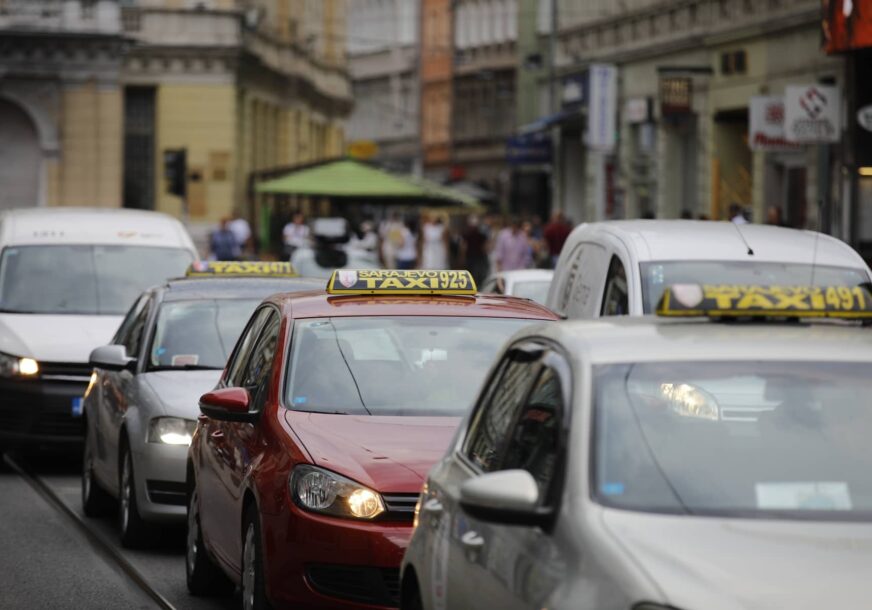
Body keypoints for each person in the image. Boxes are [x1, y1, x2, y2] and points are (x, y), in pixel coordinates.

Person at [461, 215, 489, 285]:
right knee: (475, 274)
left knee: (473, 274)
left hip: (476, 257)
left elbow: (464, 246)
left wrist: (462, 257)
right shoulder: (480, 235)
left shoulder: (468, 235)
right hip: (475, 257)